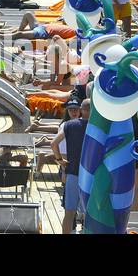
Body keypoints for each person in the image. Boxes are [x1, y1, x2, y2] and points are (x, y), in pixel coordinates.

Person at [50, 98, 87, 234]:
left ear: (82, 110)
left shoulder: (69, 125)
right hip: (91, 175)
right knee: (90, 214)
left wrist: (60, 160)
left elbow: (53, 144)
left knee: (69, 213)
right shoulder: (96, 127)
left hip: (72, 172)